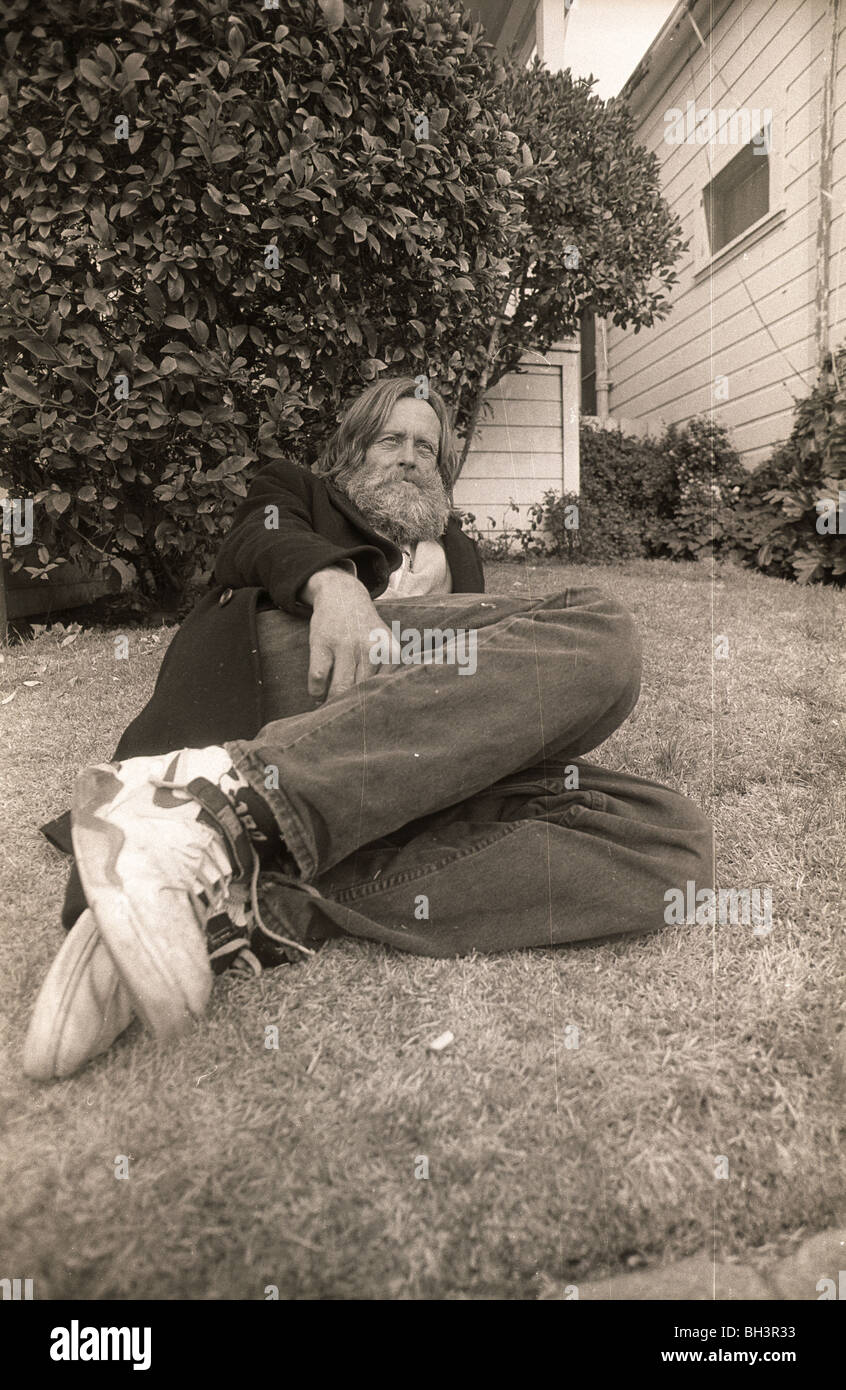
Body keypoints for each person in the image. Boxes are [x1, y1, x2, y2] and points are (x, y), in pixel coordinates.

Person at [24, 376, 713, 1081]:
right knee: (602, 633)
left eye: (426, 447)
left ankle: (227, 898)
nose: (411, 456)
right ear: (352, 453)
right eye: (391, 440)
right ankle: (222, 799)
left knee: (670, 844)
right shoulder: (296, 491)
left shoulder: (459, 556)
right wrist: (336, 585)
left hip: (395, 763)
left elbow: (483, 695)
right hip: (291, 678)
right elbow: (257, 543)